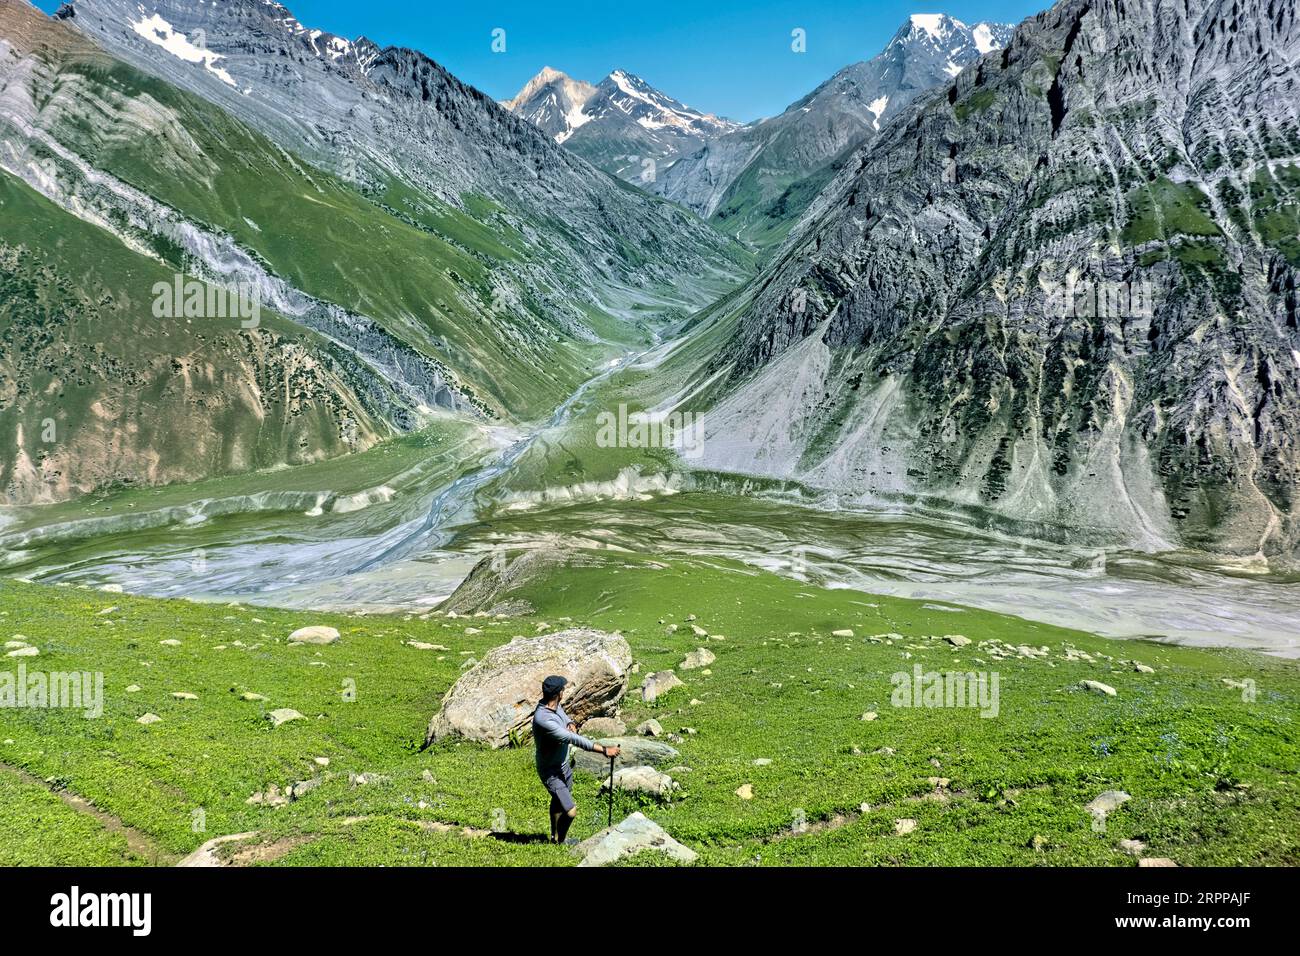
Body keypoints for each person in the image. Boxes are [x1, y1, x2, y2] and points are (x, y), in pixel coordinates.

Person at [532, 675, 620, 844]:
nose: (564, 691)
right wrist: (604, 750)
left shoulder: (551, 705)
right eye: (563, 689)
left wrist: (570, 721)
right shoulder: (543, 719)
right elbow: (574, 739)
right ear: (559, 693)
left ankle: (554, 836)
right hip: (551, 771)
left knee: (558, 801)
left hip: (563, 765)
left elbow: (562, 714)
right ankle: (561, 841)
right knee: (570, 811)